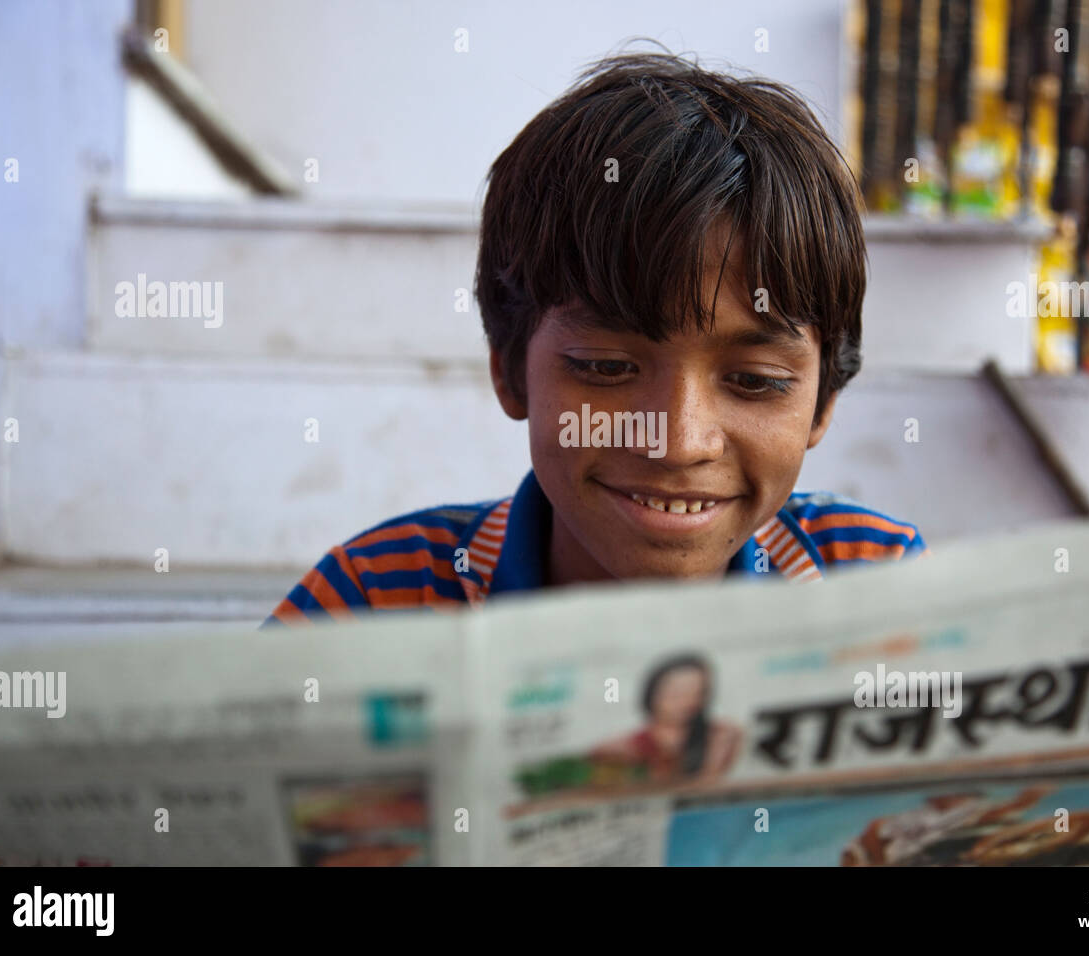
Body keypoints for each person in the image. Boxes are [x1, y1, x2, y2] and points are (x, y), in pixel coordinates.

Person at [265, 49, 925, 625]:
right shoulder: (376, 602)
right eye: (606, 367)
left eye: (755, 381)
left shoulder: (881, 587)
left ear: (824, 401)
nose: (677, 442)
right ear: (509, 370)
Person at [590, 655, 741, 783]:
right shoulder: (620, 748)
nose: (686, 701)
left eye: (696, 693)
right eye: (676, 693)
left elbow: (708, 785)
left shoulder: (720, 735)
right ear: (652, 693)